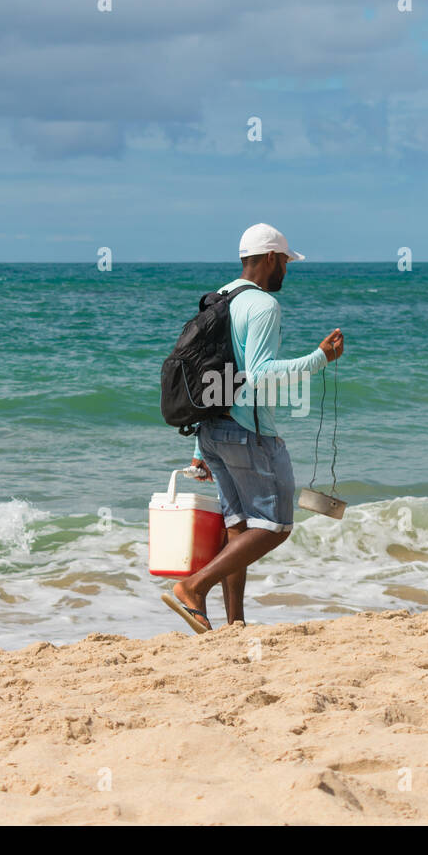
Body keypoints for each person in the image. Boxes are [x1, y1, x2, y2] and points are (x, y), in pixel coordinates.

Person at [163, 223, 344, 632]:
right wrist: (319, 358)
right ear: (269, 259)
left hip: (211, 430)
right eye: (284, 262)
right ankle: (193, 587)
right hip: (249, 432)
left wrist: (199, 449)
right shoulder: (262, 305)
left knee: (238, 527)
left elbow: (212, 369)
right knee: (275, 526)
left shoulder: (220, 299)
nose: (286, 270)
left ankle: (235, 624)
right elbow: (260, 374)